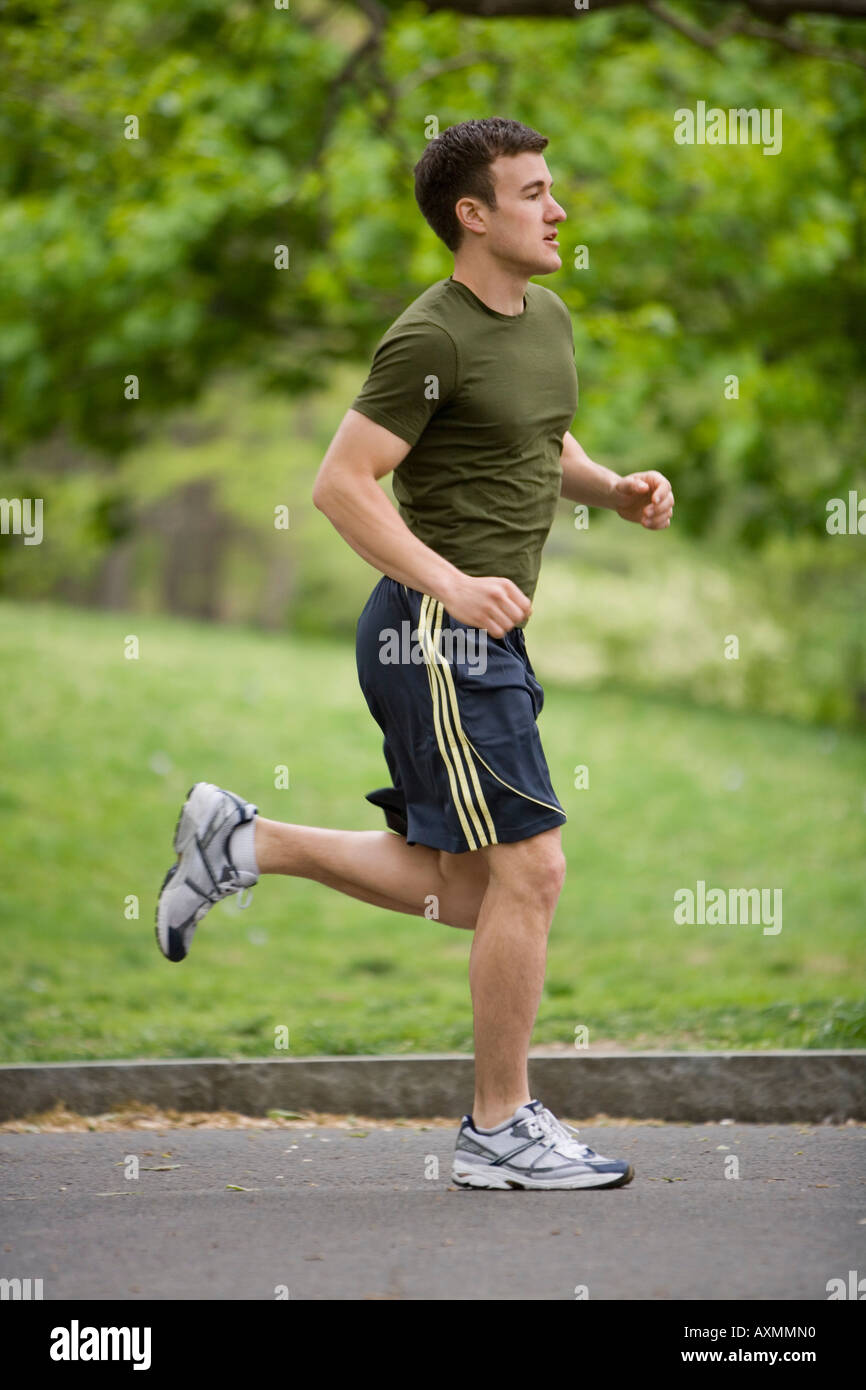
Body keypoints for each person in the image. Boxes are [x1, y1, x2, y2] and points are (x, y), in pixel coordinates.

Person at [155, 117, 674, 1190]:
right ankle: (497, 1128)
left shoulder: (545, 317)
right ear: (471, 215)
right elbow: (341, 484)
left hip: (482, 635)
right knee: (533, 867)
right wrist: (448, 583)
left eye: (551, 189)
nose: (557, 209)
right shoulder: (426, 336)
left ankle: (245, 841)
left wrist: (611, 485)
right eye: (533, 193)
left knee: (475, 890)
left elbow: (540, 440)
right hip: (434, 635)